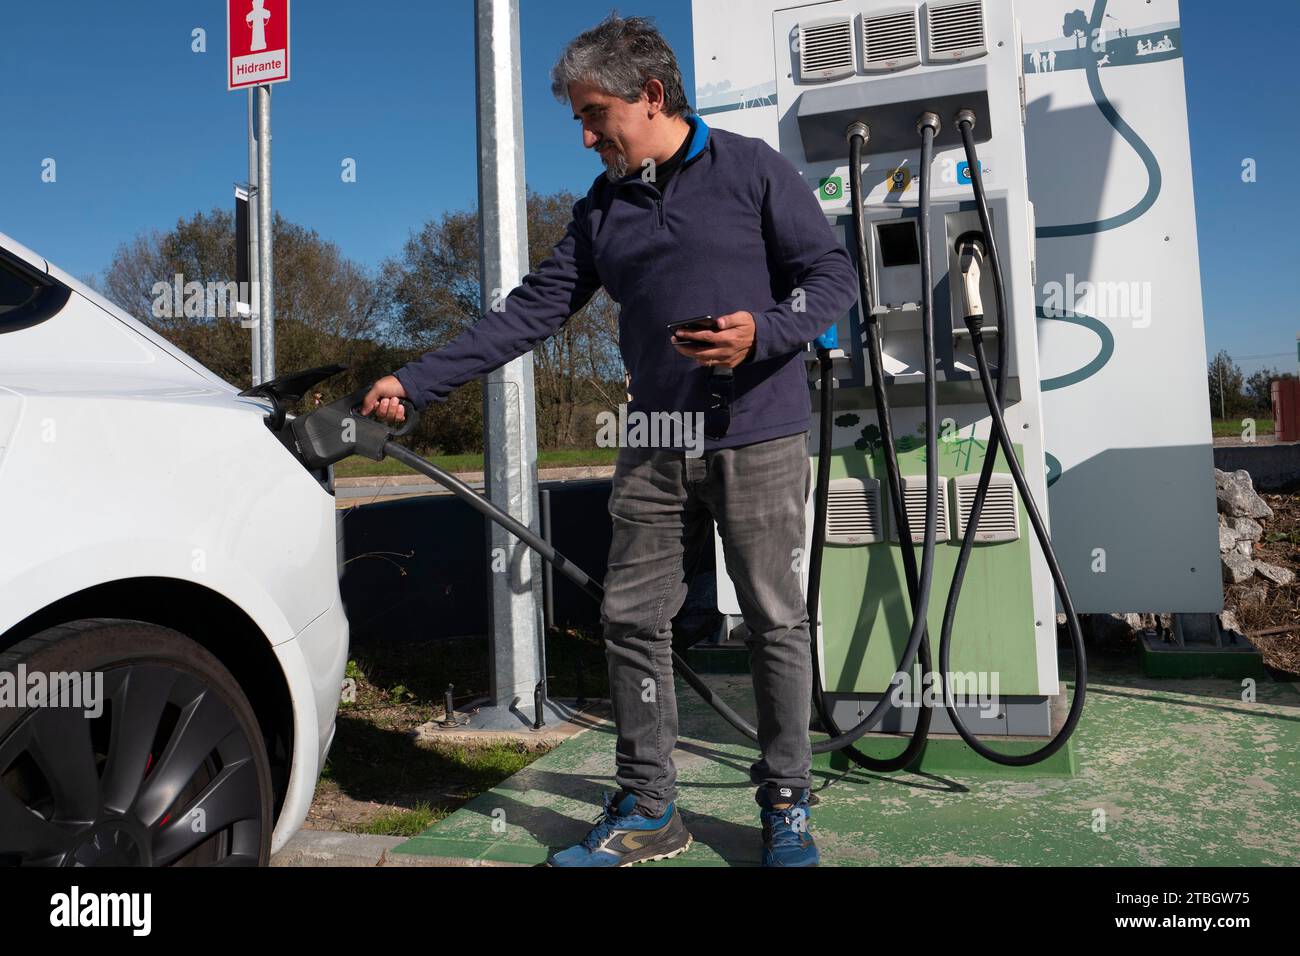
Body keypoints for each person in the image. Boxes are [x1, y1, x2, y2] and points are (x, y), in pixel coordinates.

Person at [362, 13, 859, 867]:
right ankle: (650, 805)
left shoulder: (752, 169)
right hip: (655, 438)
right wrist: (415, 380)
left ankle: (786, 803)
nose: (588, 136)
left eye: (595, 115)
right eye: (581, 121)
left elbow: (834, 273)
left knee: (776, 622)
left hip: (760, 432)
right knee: (632, 620)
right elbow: (531, 311)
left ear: (652, 95)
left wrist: (766, 333)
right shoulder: (603, 209)